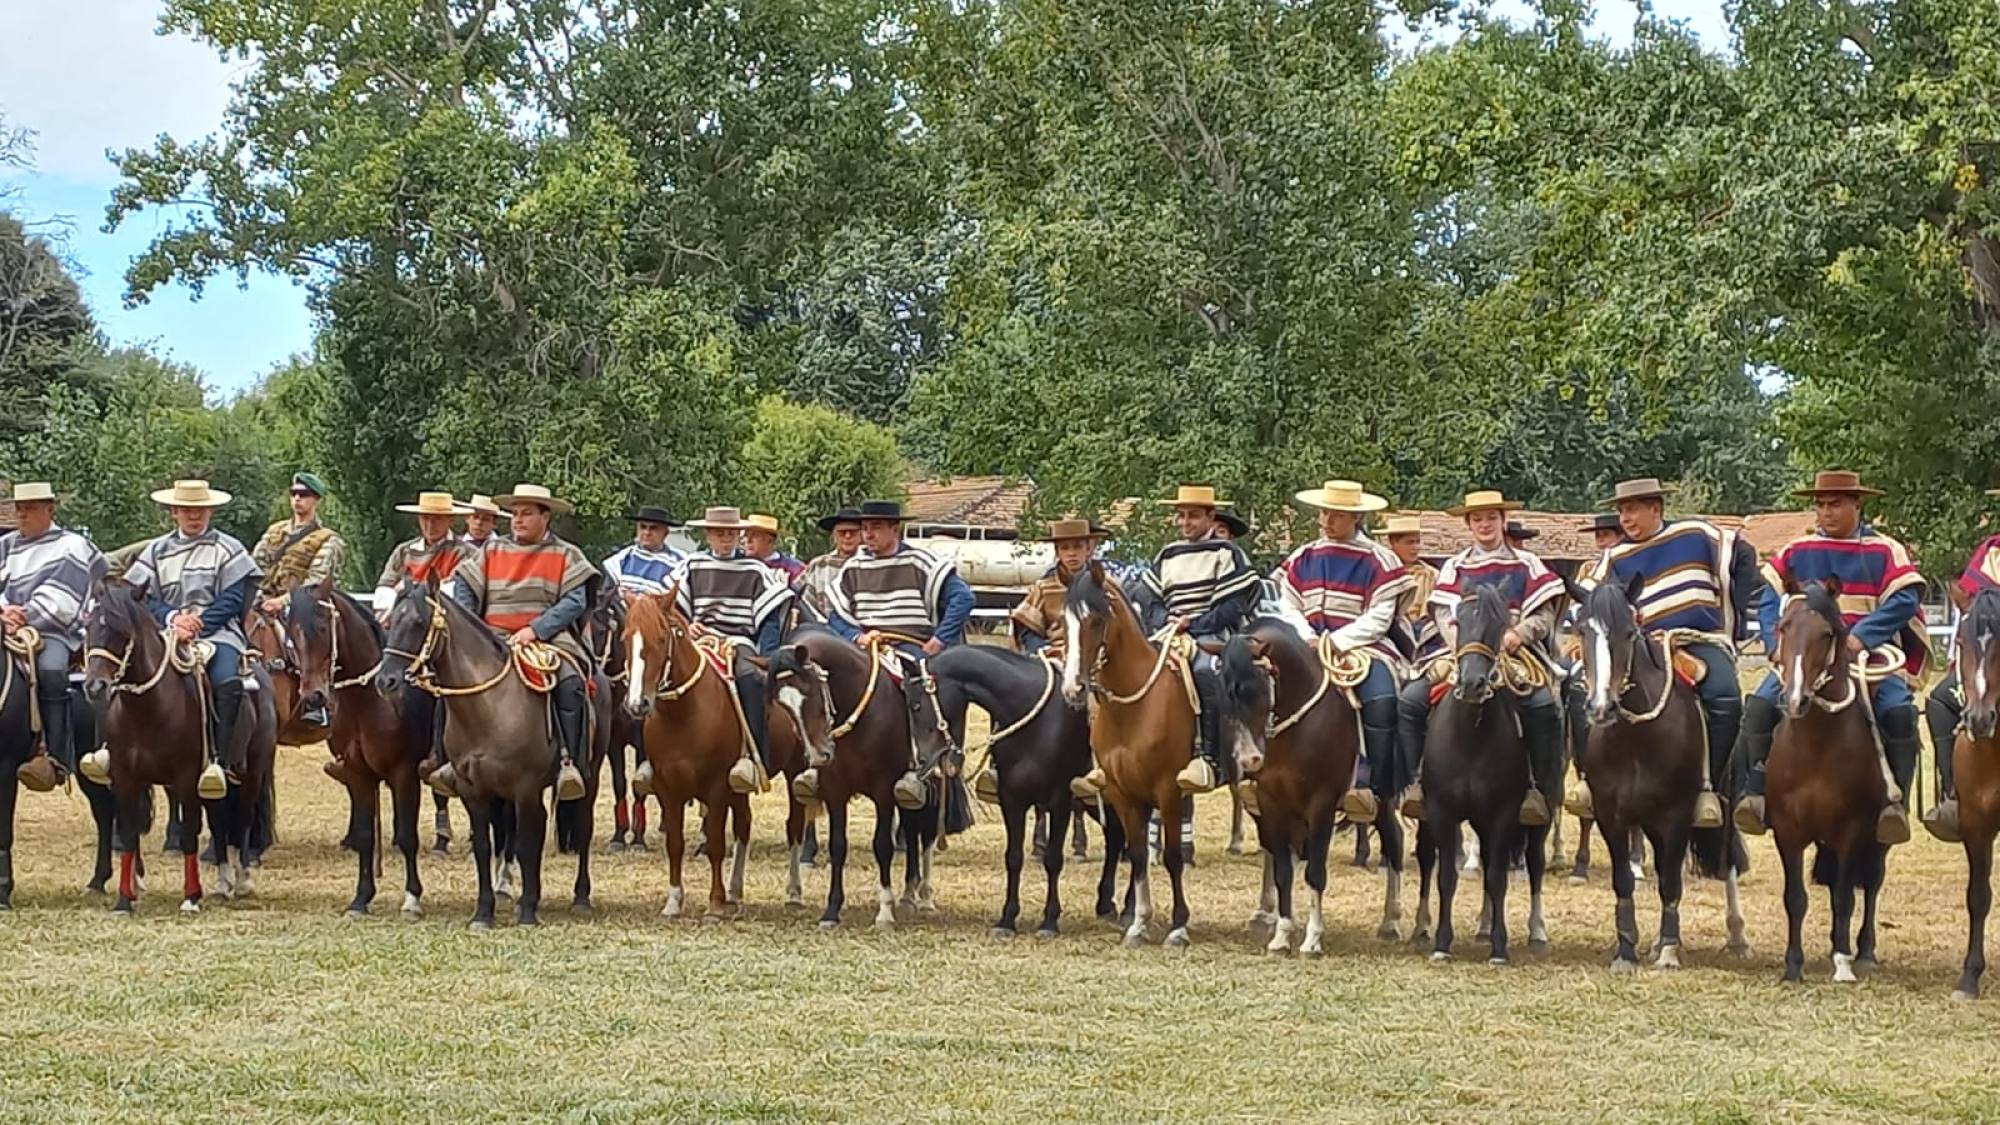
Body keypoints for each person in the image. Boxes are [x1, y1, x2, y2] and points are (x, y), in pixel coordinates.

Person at [1735, 471, 1927, 844]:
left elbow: (1905, 599)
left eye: (1836, 504)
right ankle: (1755, 790)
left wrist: (1861, 636)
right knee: (1759, 704)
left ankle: (1893, 803)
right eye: (1821, 505)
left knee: (1899, 712)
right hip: (1805, 655)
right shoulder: (1795, 549)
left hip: (1868, 656)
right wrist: (1776, 641)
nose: (1827, 512)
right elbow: (1771, 597)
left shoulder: (1886, 549)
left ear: (1857, 504)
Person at [1572, 477, 1766, 829]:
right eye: (1621, 511)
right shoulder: (1613, 557)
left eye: (1632, 510)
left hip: (1699, 639)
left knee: (1725, 697)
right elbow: (1586, 600)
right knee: (1578, 692)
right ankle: (1590, 781)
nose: (1625, 519)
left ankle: (1710, 787)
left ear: (1655, 508)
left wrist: (1733, 620)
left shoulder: (1695, 534)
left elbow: (1744, 555)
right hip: (1639, 646)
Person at [80, 480, 262, 799]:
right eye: (188, 510)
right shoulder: (156, 550)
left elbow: (235, 596)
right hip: (164, 634)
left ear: (210, 511)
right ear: (174, 512)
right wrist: (173, 618)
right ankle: (110, 749)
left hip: (218, 633)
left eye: (201, 510)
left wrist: (200, 622)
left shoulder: (229, 549)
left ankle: (218, 761)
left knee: (227, 680)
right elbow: (140, 596)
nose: (195, 516)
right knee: (122, 674)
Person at [1396, 491, 1565, 824]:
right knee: (1411, 700)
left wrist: (1520, 633)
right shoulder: (1455, 567)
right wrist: (1467, 644)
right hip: (1463, 652)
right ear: (1468, 525)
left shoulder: (1527, 564)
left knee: (1544, 706)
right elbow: (1443, 614)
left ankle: (1539, 790)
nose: (1485, 525)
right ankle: (1416, 782)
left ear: (1503, 522)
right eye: (1477, 519)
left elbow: (1545, 615)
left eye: (1491, 518)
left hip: (1515, 653)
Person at [807, 499, 975, 807]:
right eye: (865, 528)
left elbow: (962, 597)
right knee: (825, 685)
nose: (868, 535)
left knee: (920, 685)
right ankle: (822, 764)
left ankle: (921, 760)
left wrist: (939, 639)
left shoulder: (921, 562)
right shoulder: (853, 567)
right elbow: (835, 613)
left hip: (909, 643)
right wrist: (855, 635)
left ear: (895, 529)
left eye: (876, 528)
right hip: (865, 647)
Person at [445, 483, 597, 802]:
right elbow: (464, 586)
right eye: (514, 513)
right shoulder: (490, 549)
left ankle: (569, 761)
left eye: (527, 513)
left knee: (570, 684)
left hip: (549, 640)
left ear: (546, 517)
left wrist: (536, 629)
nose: (517, 520)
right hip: (493, 638)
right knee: (449, 679)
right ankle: (446, 759)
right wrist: (474, 630)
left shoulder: (567, 554)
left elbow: (575, 600)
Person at [1275, 480, 1413, 823]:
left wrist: (1336, 643)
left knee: (1381, 699)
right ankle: (1264, 774)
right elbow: (1287, 604)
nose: (1327, 520)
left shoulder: (1380, 559)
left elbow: (1381, 616)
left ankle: (1374, 786)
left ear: (1356, 517)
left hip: (1364, 648)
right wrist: (1307, 636)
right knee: (1261, 688)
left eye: (1336, 514)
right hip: (1305, 645)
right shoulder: (1303, 556)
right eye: (1324, 512)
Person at [671, 507, 794, 794]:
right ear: (708, 534)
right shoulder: (691, 565)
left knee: (750, 679)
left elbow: (770, 616)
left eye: (730, 532)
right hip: (696, 643)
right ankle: (652, 760)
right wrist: (687, 626)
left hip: (738, 642)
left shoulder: (755, 569)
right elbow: (668, 607)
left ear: (739, 534)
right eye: (718, 532)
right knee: (660, 676)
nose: (725, 537)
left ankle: (753, 756)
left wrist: (766, 653)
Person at [2, 482, 109, 791]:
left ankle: (55, 757)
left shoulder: (72, 545)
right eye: (20, 509)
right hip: (7, 626)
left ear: (50, 509)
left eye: (31, 508)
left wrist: (25, 614)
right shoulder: (5, 545)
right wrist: (3, 614)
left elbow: (65, 594)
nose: (23, 515)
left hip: (54, 630)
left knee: (51, 671)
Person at [1922, 494, 2000, 841]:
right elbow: (1971, 602)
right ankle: (1955, 793)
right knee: (1941, 700)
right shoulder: (1991, 551)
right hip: (1988, 657)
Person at [251, 471, 348, 615]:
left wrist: (282, 601)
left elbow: (316, 583)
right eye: (293, 493)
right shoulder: (274, 531)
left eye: (303, 494)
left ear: (317, 499)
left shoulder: (328, 540)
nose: (297, 498)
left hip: (301, 607)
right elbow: (254, 566)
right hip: (263, 599)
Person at [1382, 513, 1442, 664]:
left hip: (1429, 635)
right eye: (1409, 543)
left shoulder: (1433, 574)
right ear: (1393, 542)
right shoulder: (1384, 574)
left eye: (1417, 542)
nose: (1415, 548)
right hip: (1392, 633)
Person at [601, 505, 684, 600]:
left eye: (653, 528)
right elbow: (607, 596)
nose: (647, 532)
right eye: (643, 527)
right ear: (636, 529)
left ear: (665, 533)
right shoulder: (620, 560)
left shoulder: (680, 562)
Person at [798, 507, 863, 622]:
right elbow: (803, 601)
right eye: (842, 533)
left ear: (862, 535)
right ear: (834, 535)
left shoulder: (870, 564)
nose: (847, 536)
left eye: (852, 532)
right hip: (822, 631)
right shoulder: (819, 565)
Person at [746, 514, 806, 585]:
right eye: (746, 535)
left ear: (770, 541)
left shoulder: (794, 569)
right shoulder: (738, 563)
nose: (748, 540)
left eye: (755, 535)